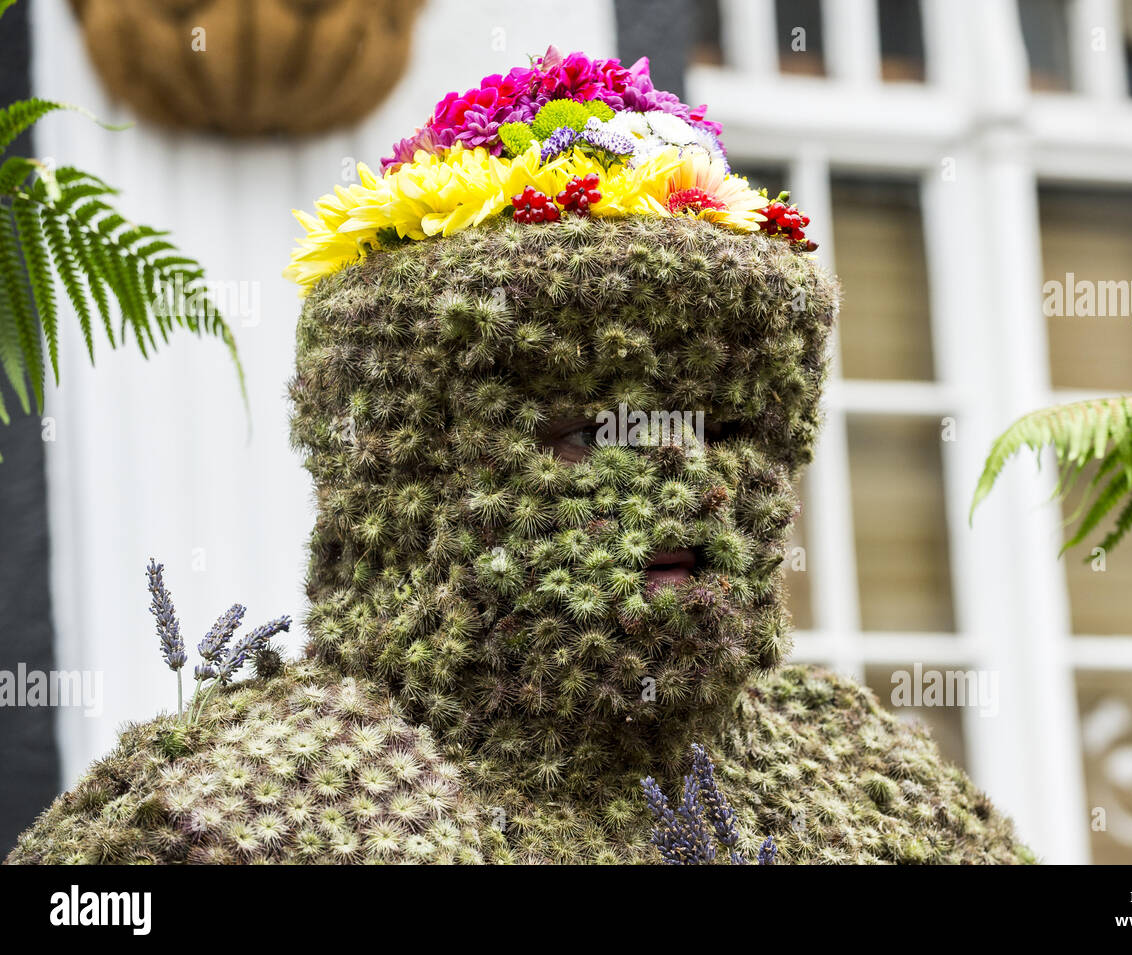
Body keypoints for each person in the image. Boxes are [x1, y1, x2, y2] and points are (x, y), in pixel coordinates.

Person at [7, 49, 1029, 865]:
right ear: (401, 475)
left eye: (718, 426)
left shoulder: (863, 781)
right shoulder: (240, 821)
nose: (690, 484)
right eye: (590, 432)